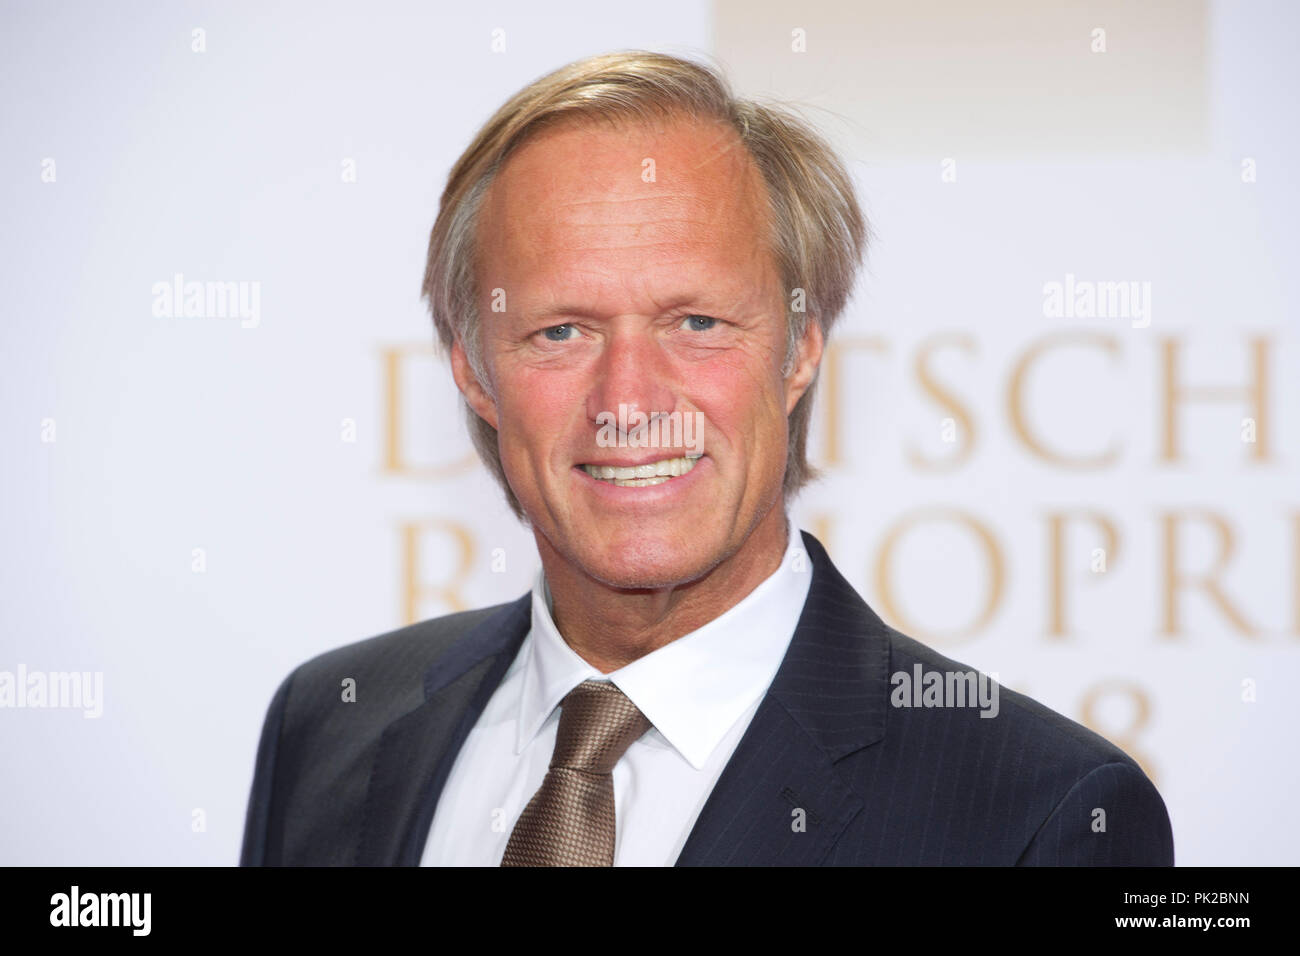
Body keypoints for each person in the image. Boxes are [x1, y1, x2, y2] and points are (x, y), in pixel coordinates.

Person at [239, 50, 1174, 866]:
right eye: (561, 331)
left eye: (697, 322)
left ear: (801, 347)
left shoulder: (1039, 816)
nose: (630, 404)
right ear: (475, 375)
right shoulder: (330, 726)